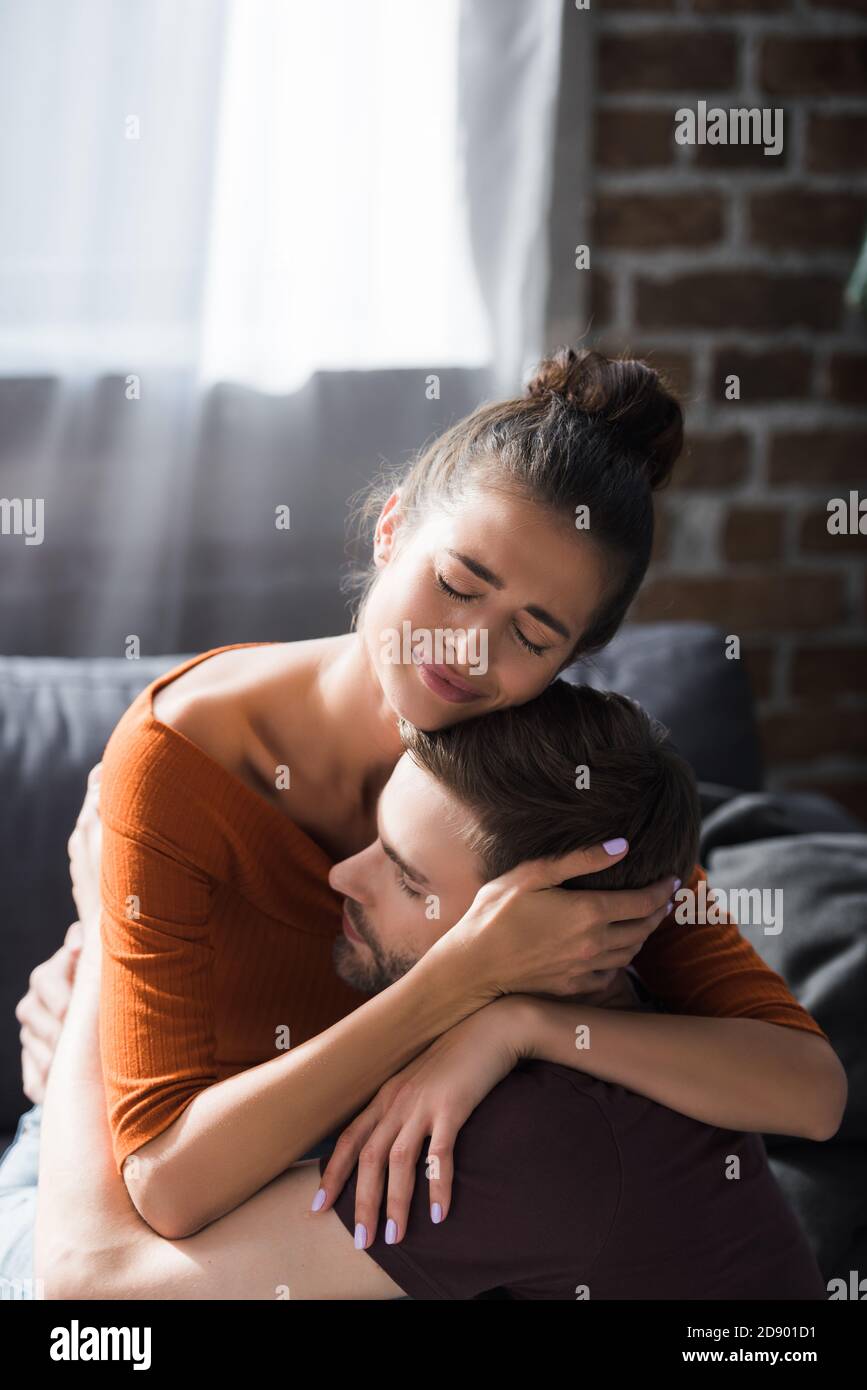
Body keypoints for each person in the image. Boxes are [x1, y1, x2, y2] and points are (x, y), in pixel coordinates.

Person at [2, 347, 845, 1289]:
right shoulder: (183, 758)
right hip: (102, 1196)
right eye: (457, 583)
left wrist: (517, 1023)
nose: (468, 648)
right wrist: (460, 979)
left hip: (323, 1208)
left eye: (531, 635)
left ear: (570, 658)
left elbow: (805, 1090)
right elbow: (161, 1188)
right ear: (392, 527)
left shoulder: (541, 781)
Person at [33, 680, 831, 1299]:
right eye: (376, 838)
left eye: (408, 880)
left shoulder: (527, 1140)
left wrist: (106, 932)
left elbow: (89, 1285)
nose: (342, 877)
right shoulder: (602, 1012)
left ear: (563, 929)